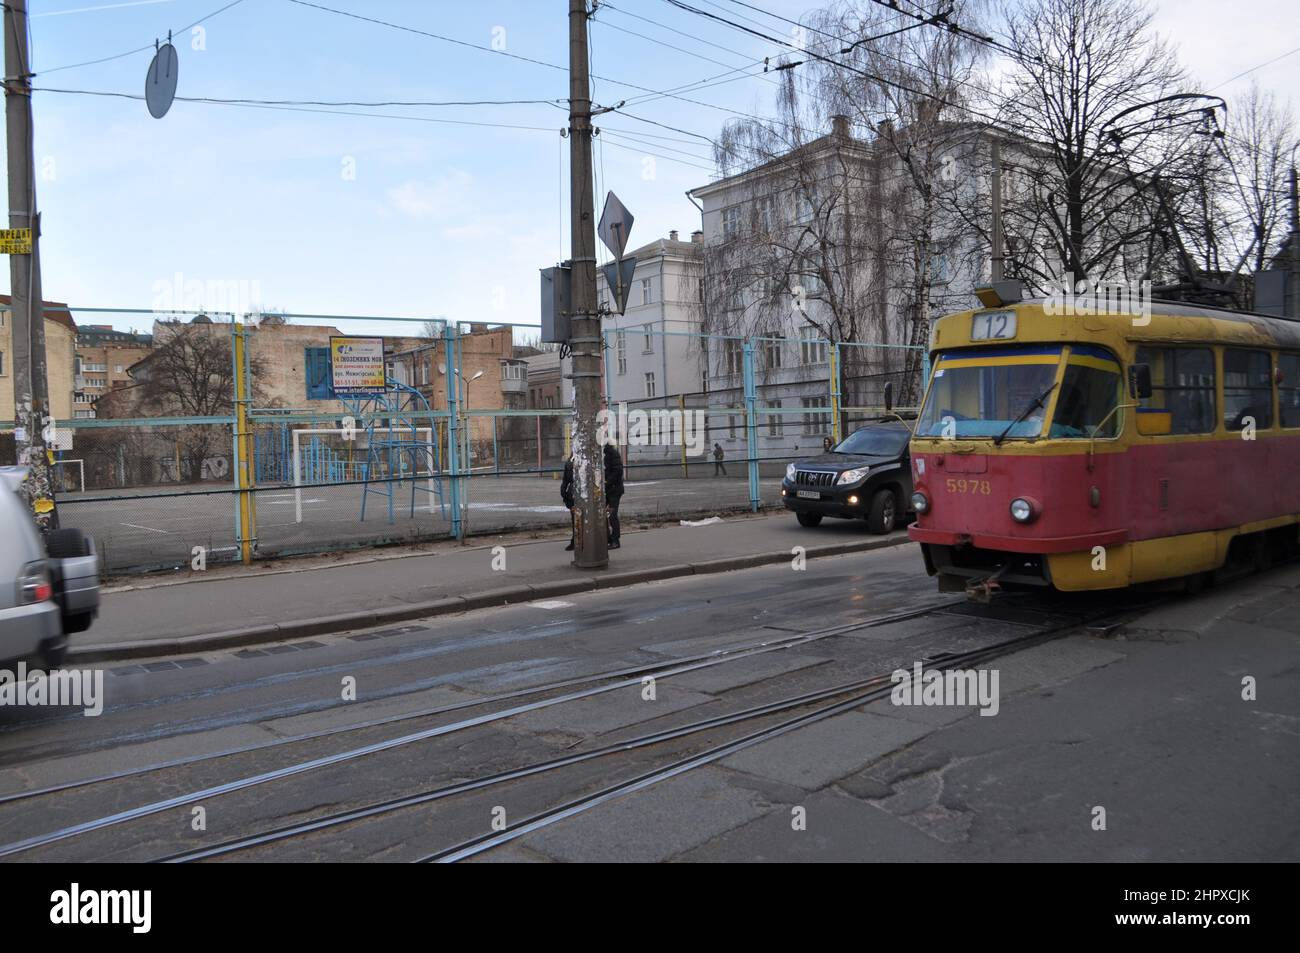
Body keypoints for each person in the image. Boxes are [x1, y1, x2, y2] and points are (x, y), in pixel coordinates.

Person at [604, 443, 624, 549]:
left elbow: (617, 471)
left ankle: (615, 540)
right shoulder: (607, 454)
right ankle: (609, 538)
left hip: (614, 490)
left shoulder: (612, 454)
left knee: (612, 514)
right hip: (609, 489)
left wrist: (607, 482)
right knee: (603, 514)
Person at [560, 455, 576, 550]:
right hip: (572, 494)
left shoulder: (571, 461)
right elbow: (565, 479)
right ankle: (575, 540)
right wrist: (563, 491)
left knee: (577, 519)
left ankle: (576, 541)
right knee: (575, 519)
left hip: (577, 494)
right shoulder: (570, 462)